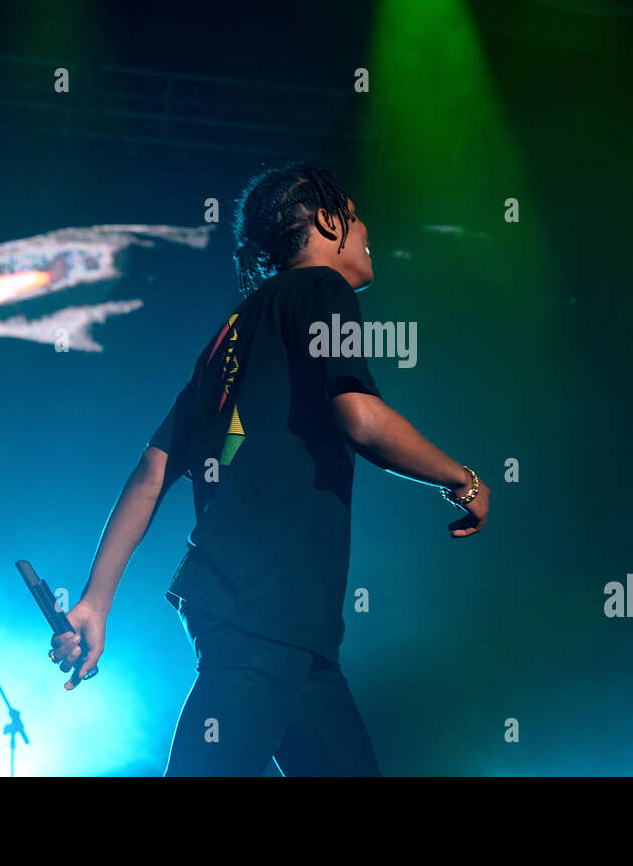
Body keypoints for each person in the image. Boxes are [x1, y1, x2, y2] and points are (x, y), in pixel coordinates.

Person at [49, 163, 489, 775]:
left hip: (286, 631)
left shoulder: (231, 334)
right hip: (261, 610)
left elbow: (151, 473)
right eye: (357, 218)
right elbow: (360, 417)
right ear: (329, 221)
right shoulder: (319, 289)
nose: (367, 235)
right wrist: (459, 478)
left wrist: (96, 600)